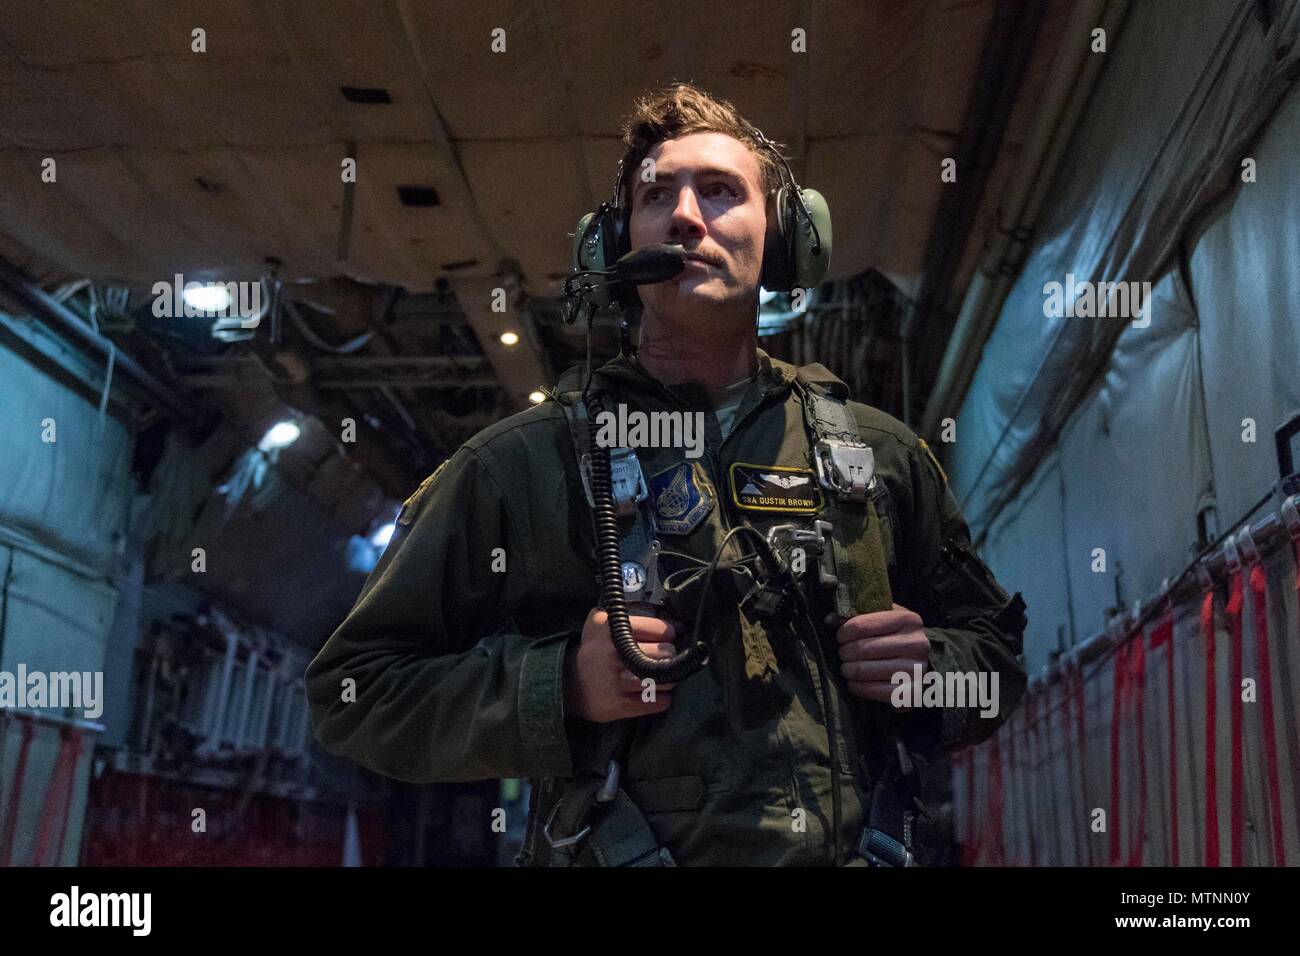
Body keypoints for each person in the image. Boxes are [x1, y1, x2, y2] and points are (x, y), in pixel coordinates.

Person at [305, 82, 1028, 867]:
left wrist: (932, 673)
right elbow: (355, 693)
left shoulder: (880, 455)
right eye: (657, 196)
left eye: (720, 192)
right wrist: (559, 686)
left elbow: (996, 663)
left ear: (785, 238)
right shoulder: (520, 466)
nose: (686, 216)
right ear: (616, 246)